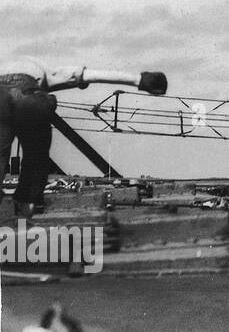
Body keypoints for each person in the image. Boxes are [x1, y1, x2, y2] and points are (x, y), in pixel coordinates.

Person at [0, 57, 167, 217]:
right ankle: (28, 205)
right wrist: (141, 80)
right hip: (31, 99)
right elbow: (93, 75)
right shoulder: (48, 71)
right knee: (36, 157)